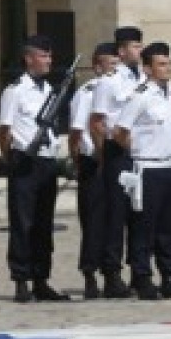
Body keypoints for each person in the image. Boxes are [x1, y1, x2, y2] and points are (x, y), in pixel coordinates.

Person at [113, 42, 171, 299]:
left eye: (168, 63)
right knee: (144, 227)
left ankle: (169, 275)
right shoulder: (140, 96)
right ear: (147, 69)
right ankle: (141, 276)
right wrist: (138, 152)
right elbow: (120, 132)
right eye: (160, 64)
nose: (167, 68)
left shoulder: (169, 95)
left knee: (169, 227)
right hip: (148, 168)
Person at [0, 35, 70, 303]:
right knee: (23, 223)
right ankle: (21, 280)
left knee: (43, 223)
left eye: (50, 57)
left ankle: (42, 278)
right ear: (28, 59)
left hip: (47, 160)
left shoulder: (49, 89)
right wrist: (12, 158)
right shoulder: (14, 90)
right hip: (25, 161)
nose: (48, 61)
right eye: (43, 56)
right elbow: (3, 130)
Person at [87, 26, 146, 298]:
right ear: (121, 51)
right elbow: (97, 122)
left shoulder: (143, 79)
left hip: (143, 151)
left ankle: (139, 271)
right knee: (116, 215)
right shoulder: (109, 81)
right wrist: (102, 155)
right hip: (116, 151)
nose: (140, 50)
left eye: (140, 46)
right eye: (134, 46)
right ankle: (111, 273)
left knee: (139, 214)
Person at [70, 43, 119, 298]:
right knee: (93, 221)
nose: (114, 70)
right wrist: (81, 161)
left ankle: (112, 273)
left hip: (115, 160)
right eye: (110, 65)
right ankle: (90, 273)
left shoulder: (119, 88)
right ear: (97, 67)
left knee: (114, 221)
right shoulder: (87, 92)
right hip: (94, 161)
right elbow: (77, 132)